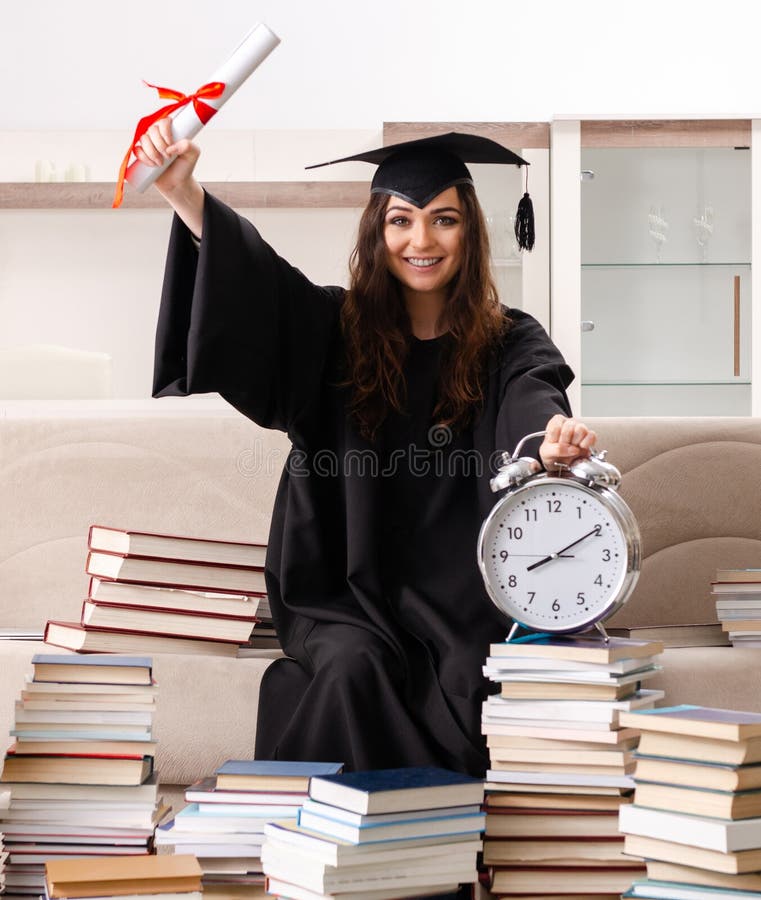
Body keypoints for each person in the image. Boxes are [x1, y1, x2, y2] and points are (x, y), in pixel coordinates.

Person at [139, 123, 596, 777]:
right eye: (401, 220)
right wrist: (185, 194)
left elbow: (533, 408)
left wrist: (551, 446)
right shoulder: (333, 328)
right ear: (375, 233)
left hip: (464, 589)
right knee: (353, 666)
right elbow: (257, 286)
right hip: (341, 585)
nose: (420, 241)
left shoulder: (509, 340)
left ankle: (434, 854)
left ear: (470, 232)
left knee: (472, 674)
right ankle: (332, 859)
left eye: (443, 220)